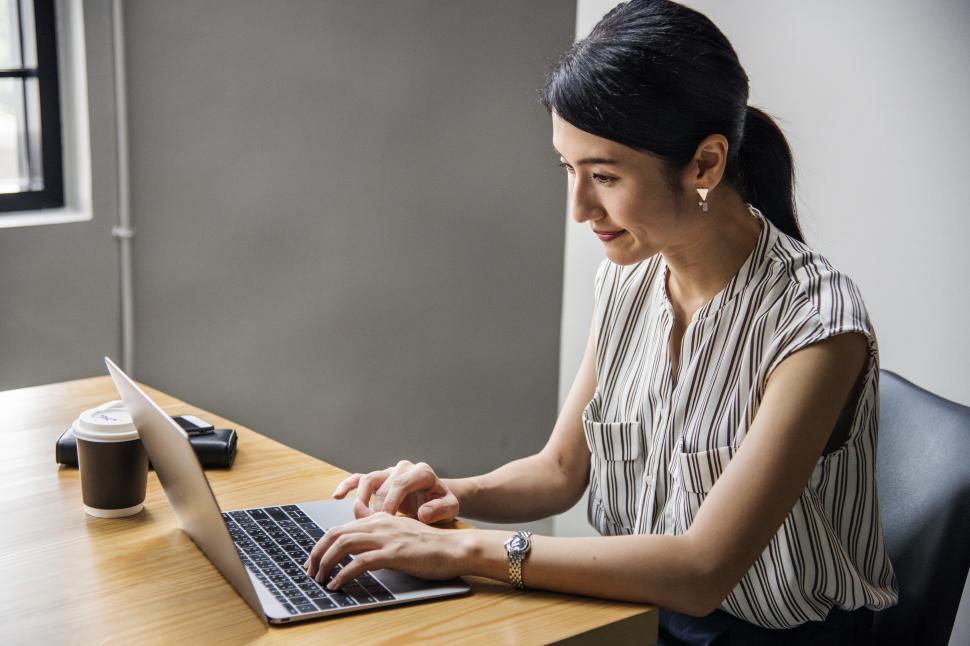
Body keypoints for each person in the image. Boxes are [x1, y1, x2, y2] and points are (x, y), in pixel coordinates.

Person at [304, 1, 898, 642]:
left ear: (705, 165)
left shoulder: (816, 326)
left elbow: (700, 571)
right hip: (635, 611)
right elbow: (561, 469)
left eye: (605, 176)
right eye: (569, 169)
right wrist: (449, 494)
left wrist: (462, 551)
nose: (580, 208)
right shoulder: (627, 275)